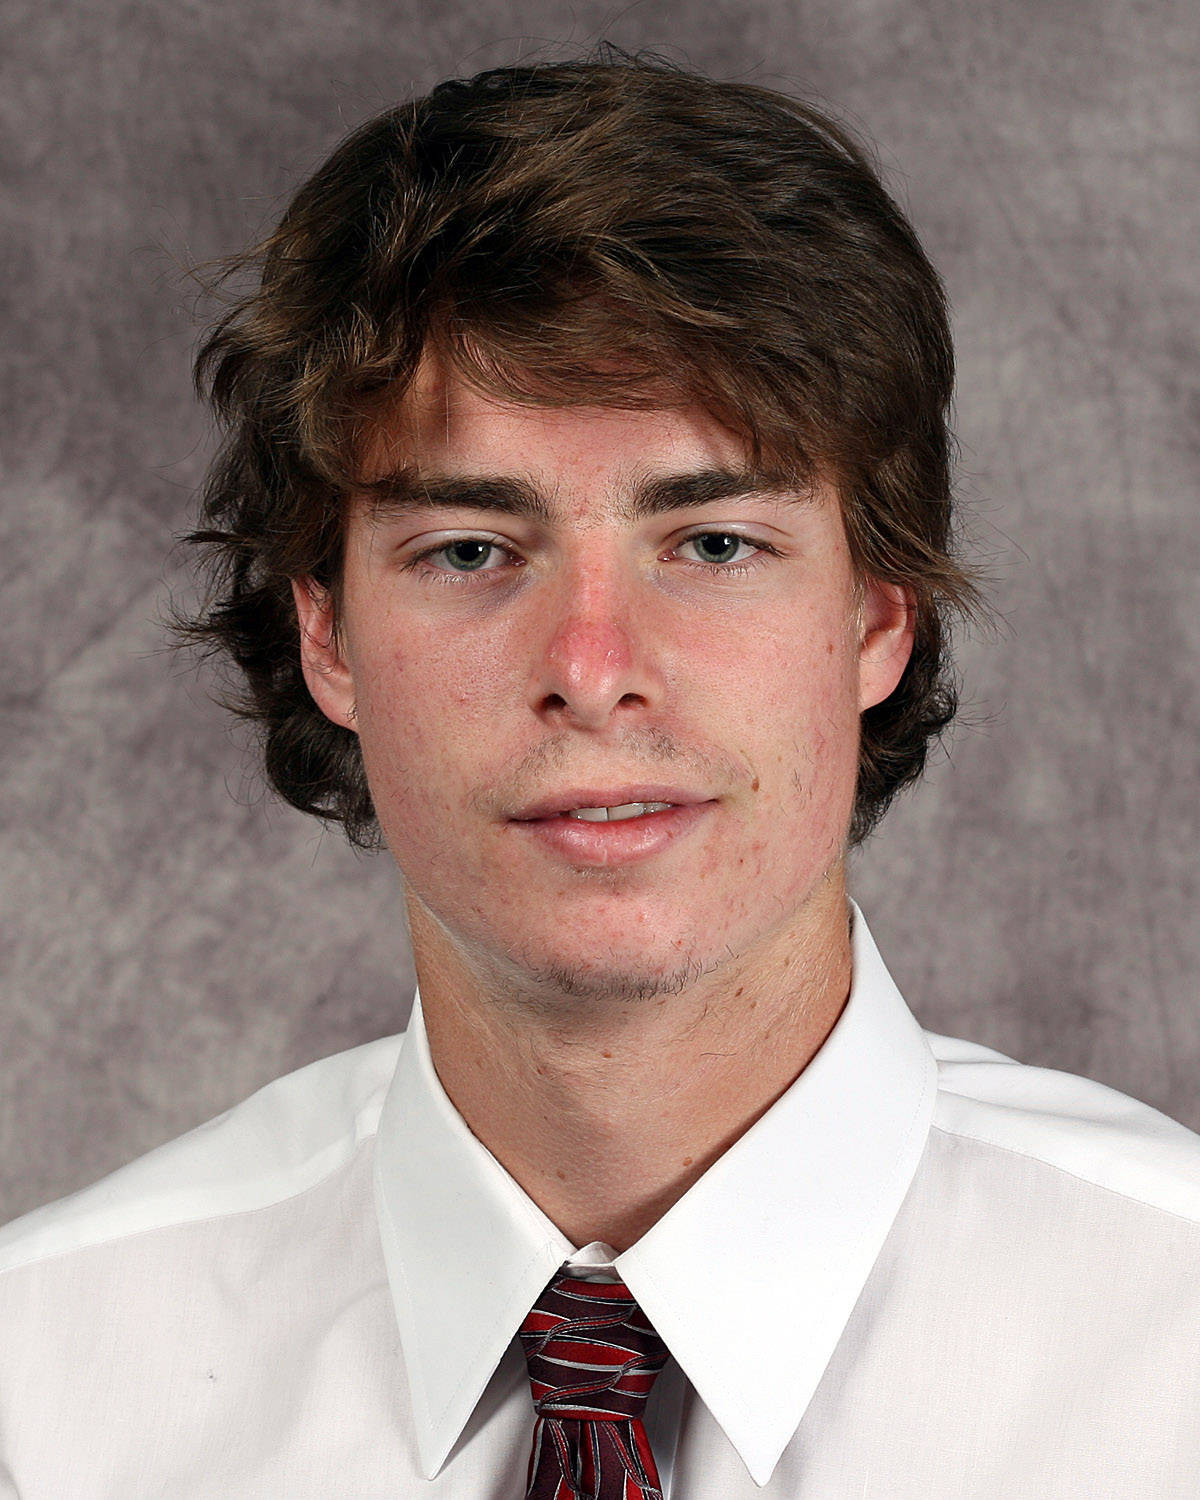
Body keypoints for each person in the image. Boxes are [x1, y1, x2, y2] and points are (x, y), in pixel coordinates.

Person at [1, 48, 1197, 1500]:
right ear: (325, 635)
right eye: (468, 552)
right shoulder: (45, 1384)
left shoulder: (1169, 1344)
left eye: (712, 544)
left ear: (879, 614)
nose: (590, 661)